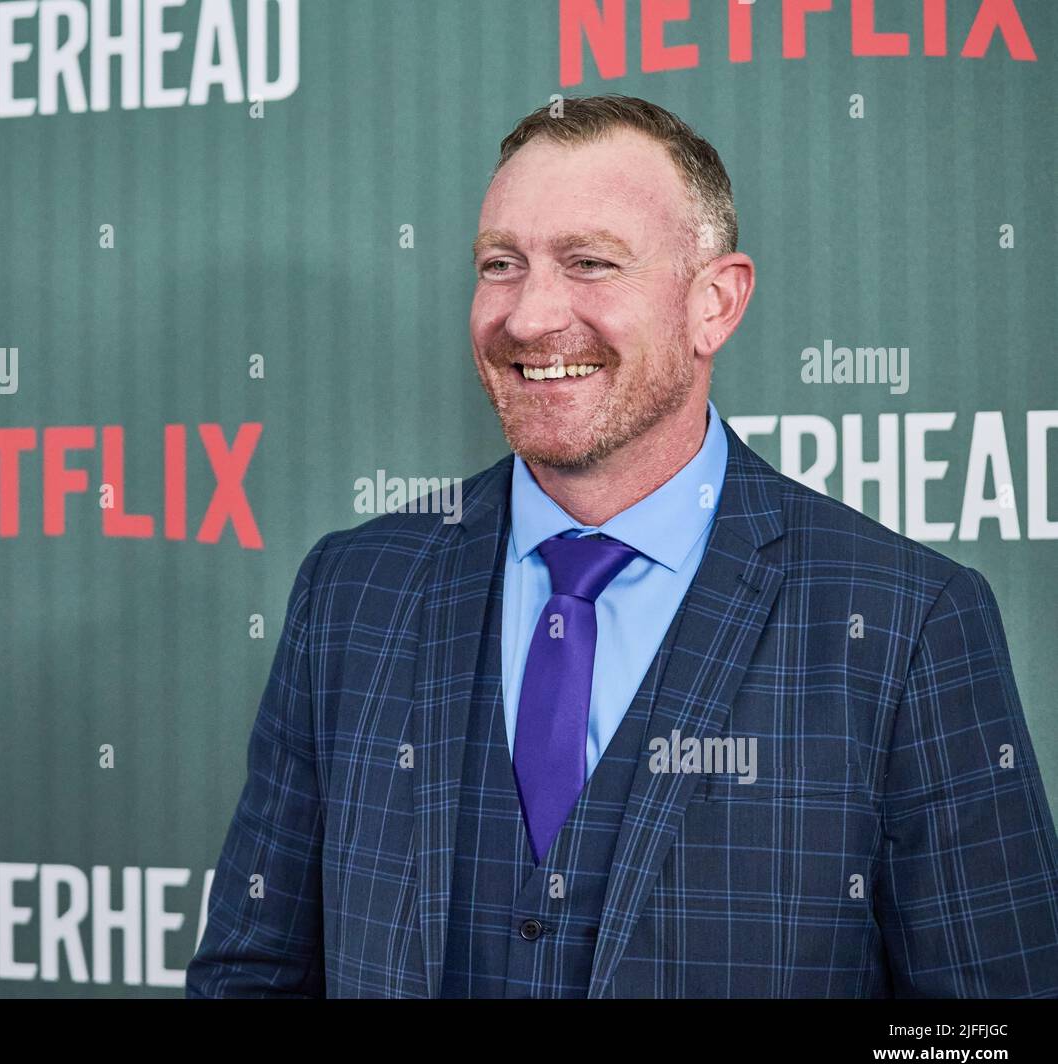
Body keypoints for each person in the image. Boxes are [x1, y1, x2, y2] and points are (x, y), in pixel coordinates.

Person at [186, 95, 1058, 998]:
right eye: (501, 264)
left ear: (713, 304)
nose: (528, 317)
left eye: (590, 263)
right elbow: (253, 972)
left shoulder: (906, 620)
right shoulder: (352, 592)